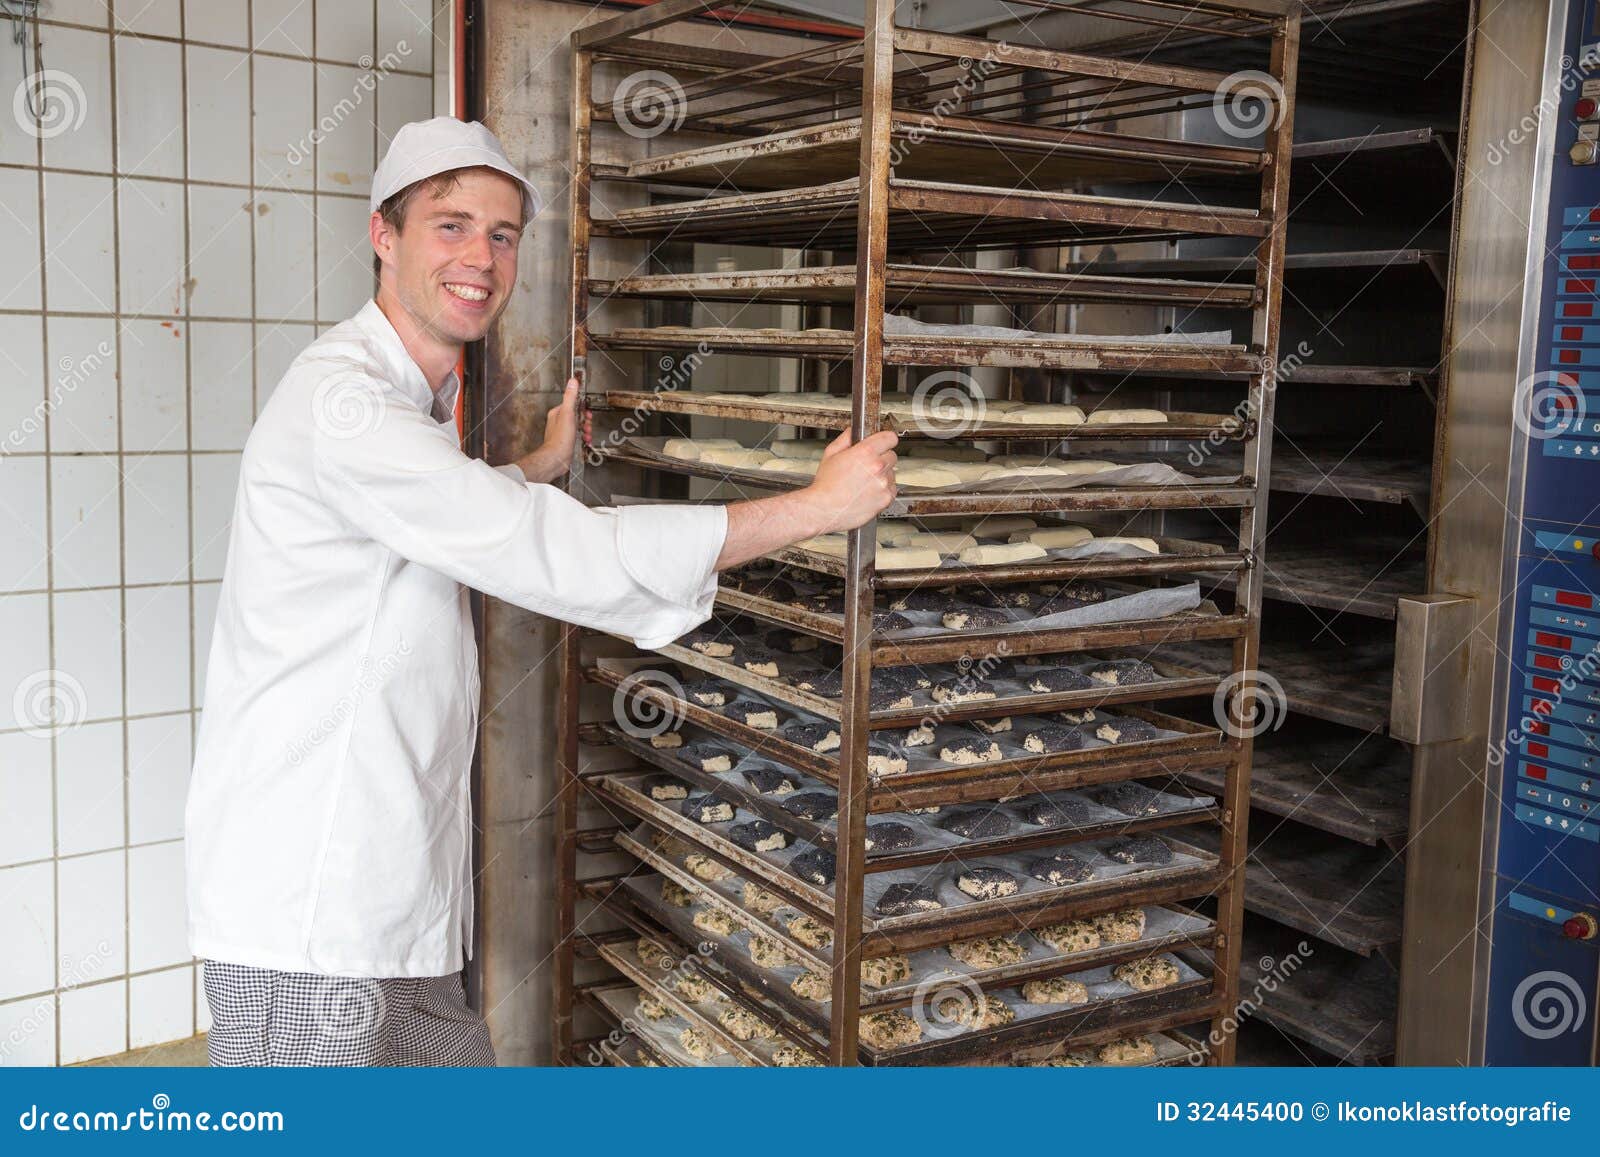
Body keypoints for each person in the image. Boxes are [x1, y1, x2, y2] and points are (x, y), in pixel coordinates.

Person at [184, 117, 897, 1066]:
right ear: (382, 236)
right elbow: (545, 550)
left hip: (390, 885)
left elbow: (434, 521)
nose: (480, 255)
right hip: (311, 910)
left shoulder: (404, 408)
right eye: (450, 225)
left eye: (502, 232)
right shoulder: (343, 405)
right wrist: (813, 507)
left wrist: (538, 463)